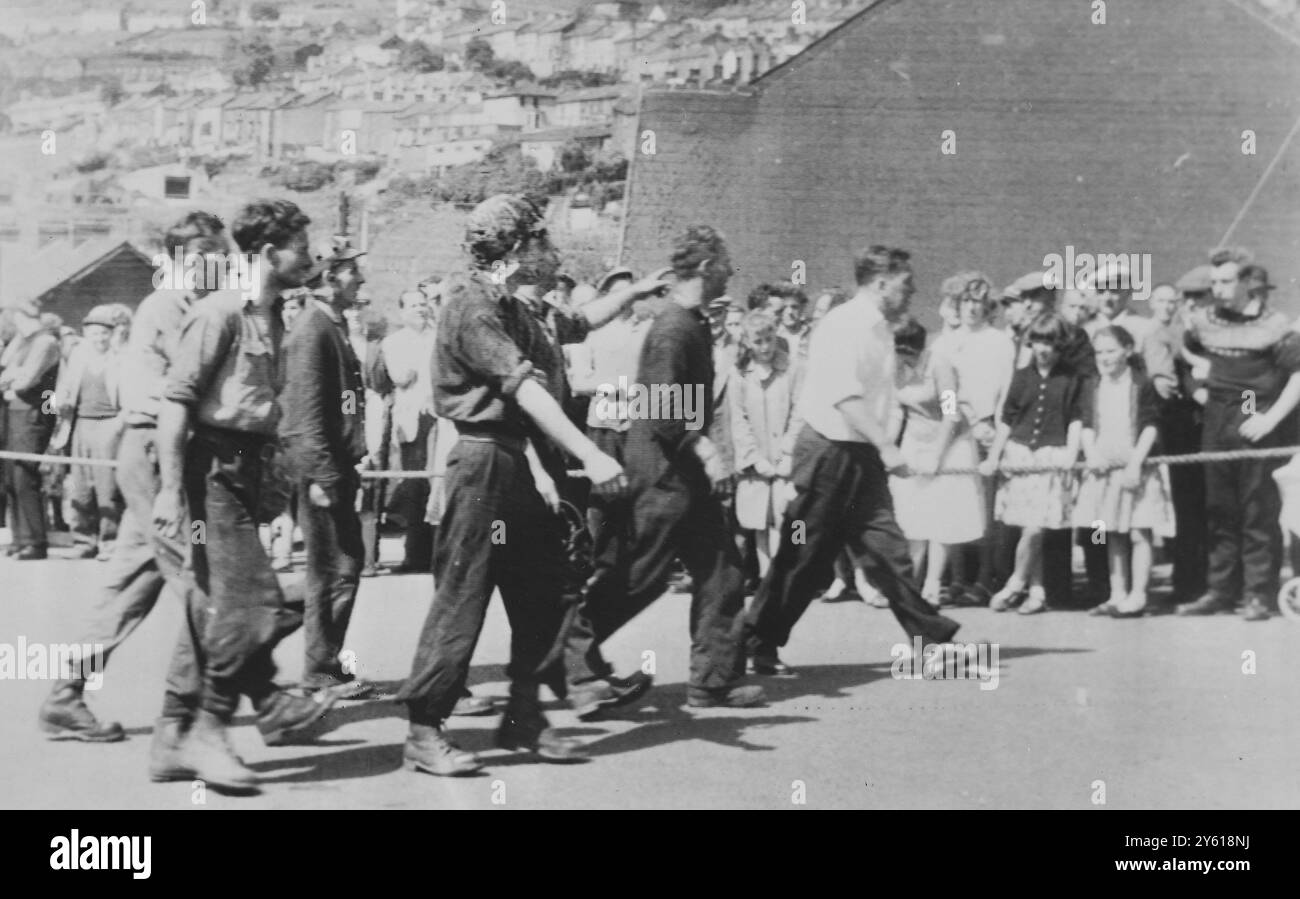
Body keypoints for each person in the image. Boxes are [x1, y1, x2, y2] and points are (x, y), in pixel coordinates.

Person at [395, 194, 656, 777]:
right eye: (542, 241)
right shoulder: (472, 305)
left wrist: (634, 295)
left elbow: (577, 323)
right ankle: (423, 729)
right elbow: (526, 391)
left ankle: (524, 717)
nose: (553, 250)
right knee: (462, 599)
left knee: (543, 596)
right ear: (517, 250)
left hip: (517, 464)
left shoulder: (513, 306)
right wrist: (588, 451)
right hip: (483, 463)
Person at [151, 199, 339, 793]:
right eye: (300, 248)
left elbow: (269, 410)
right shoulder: (220, 313)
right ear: (265, 253)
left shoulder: (278, 316)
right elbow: (176, 402)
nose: (309, 258)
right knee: (253, 601)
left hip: (247, 467)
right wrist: (166, 490)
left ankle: (171, 738)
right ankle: (216, 728)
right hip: (209, 468)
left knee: (216, 604)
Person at [36, 215, 229, 747]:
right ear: (178, 261)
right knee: (200, 582)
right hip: (153, 450)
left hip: (154, 451)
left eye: (220, 254)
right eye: (203, 256)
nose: (217, 264)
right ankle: (235, 705)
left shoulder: (193, 306)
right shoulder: (169, 307)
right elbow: (184, 395)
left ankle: (65, 696)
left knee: (130, 585)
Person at [561, 223, 766, 710]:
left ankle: (712, 681)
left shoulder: (691, 323)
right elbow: (664, 410)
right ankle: (565, 657)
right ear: (704, 269)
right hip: (661, 475)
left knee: (722, 573)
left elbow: (688, 407)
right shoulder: (673, 328)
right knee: (635, 579)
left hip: (683, 476)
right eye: (723, 266)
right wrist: (707, 450)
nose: (729, 274)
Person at [743, 245, 965, 675]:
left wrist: (880, 446)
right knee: (804, 556)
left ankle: (930, 638)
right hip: (829, 451)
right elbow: (844, 397)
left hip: (861, 454)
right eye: (906, 284)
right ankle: (755, 642)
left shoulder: (882, 328)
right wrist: (887, 446)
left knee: (888, 550)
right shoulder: (844, 326)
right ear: (881, 283)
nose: (913, 291)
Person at [1177, 252, 1300, 620]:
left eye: (1226, 282)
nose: (1218, 289)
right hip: (1216, 423)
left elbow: (1298, 374)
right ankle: (1219, 591)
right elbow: (1186, 356)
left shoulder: (1277, 326)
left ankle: (1257, 594)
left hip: (1254, 420)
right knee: (1219, 510)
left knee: (1257, 511)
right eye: (1214, 282)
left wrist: (1269, 417)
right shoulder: (1203, 320)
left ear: (1247, 282)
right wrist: (1200, 390)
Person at [279, 247, 372, 701]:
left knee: (344, 565)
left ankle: (317, 656)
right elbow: (305, 411)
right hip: (322, 470)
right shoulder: (311, 330)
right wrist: (319, 476)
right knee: (330, 569)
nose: (362, 279)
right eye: (354, 271)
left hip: (338, 465)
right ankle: (318, 668)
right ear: (331, 277)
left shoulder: (333, 325)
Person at [981, 314, 1089, 615]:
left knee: (1036, 527)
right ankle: (1037, 591)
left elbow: (1077, 417)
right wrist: (994, 457)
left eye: (1050, 342)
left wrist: (1072, 450)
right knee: (1030, 524)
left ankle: (1016, 582)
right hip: (1020, 455)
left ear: (1060, 345)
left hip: (1052, 456)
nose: (1043, 349)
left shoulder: (1072, 379)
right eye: (1039, 341)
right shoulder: (1021, 376)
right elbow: (1007, 421)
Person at [1075, 326, 1175, 618]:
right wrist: (1091, 454)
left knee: (1138, 532)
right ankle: (1117, 593)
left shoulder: (1141, 384)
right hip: (1104, 469)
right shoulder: (1092, 384)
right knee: (1110, 533)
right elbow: (1086, 423)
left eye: (1111, 351)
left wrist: (1135, 463)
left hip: (1136, 469)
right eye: (1099, 352)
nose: (1104, 358)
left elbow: (1151, 425)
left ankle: (1138, 594)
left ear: (1128, 351)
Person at [888, 317, 985, 605]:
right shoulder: (891, 365)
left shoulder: (940, 364)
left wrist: (936, 456)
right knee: (911, 514)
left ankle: (933, 584)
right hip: (914, 440)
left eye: (910, 353)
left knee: (940, 514)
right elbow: (896, 411)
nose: (905, 358)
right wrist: (888, 449)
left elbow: (952, 414)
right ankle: (909, 582)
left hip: (951, 441)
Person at [932, 273, 1015, 607]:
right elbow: (943, 389)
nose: (971, 308)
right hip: (955, 430)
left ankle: (984, 578)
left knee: (987, 509)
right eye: (966, 301)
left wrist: (991, 422)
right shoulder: (944, 343)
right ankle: (955, 578)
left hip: (986, 430)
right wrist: (955, 417)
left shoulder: (1000, 341)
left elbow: (1006, 390)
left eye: (979, 302)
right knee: (954, 503)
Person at [730, 309, 801, 579]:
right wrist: (755, 459)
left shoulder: (793, 368)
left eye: (769, 340)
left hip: (786, 462)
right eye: (757, 342)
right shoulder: (739, 374)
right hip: (756, 463)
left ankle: (789, 578)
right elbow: (739, 419)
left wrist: (788, 453)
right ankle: (765, 578)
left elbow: (799, 412)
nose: (764, 347)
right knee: (760, 521)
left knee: (790, 521)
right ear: (747, 342)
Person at [56, 306, 125, 561]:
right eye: (94, 333)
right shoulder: (77, 358)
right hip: (81, 424)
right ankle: (84, 540)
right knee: (81, 487)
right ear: (86, 334)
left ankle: (110, 542)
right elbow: (61, 389)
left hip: (109, 425)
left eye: (104, 334)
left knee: (108, 487)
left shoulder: (119, 359)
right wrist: (59, 403)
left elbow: (126, 395)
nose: (99, 338)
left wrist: (120, 423)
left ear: (111, 334)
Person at [0, 291, 61, 560]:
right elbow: (4, 370)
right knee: (11, 478)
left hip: (33, 415)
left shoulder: (45, 341)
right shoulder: (21, 341)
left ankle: (36, 541)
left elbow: (27, 380)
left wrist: (12, 378)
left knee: (25, 476)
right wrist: (12, 376)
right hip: (13, 412)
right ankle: (20, 538)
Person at [381, 289, 438, 573]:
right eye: (414, 305)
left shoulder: (439, 337)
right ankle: (415, 555)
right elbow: (400, 377)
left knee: (438, 485)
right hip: (412, 423)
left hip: (439, 419)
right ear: (402, 312)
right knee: (414, 488)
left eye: (423, 304)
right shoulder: (394, 342)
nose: (420, 309)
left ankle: (439, 554)